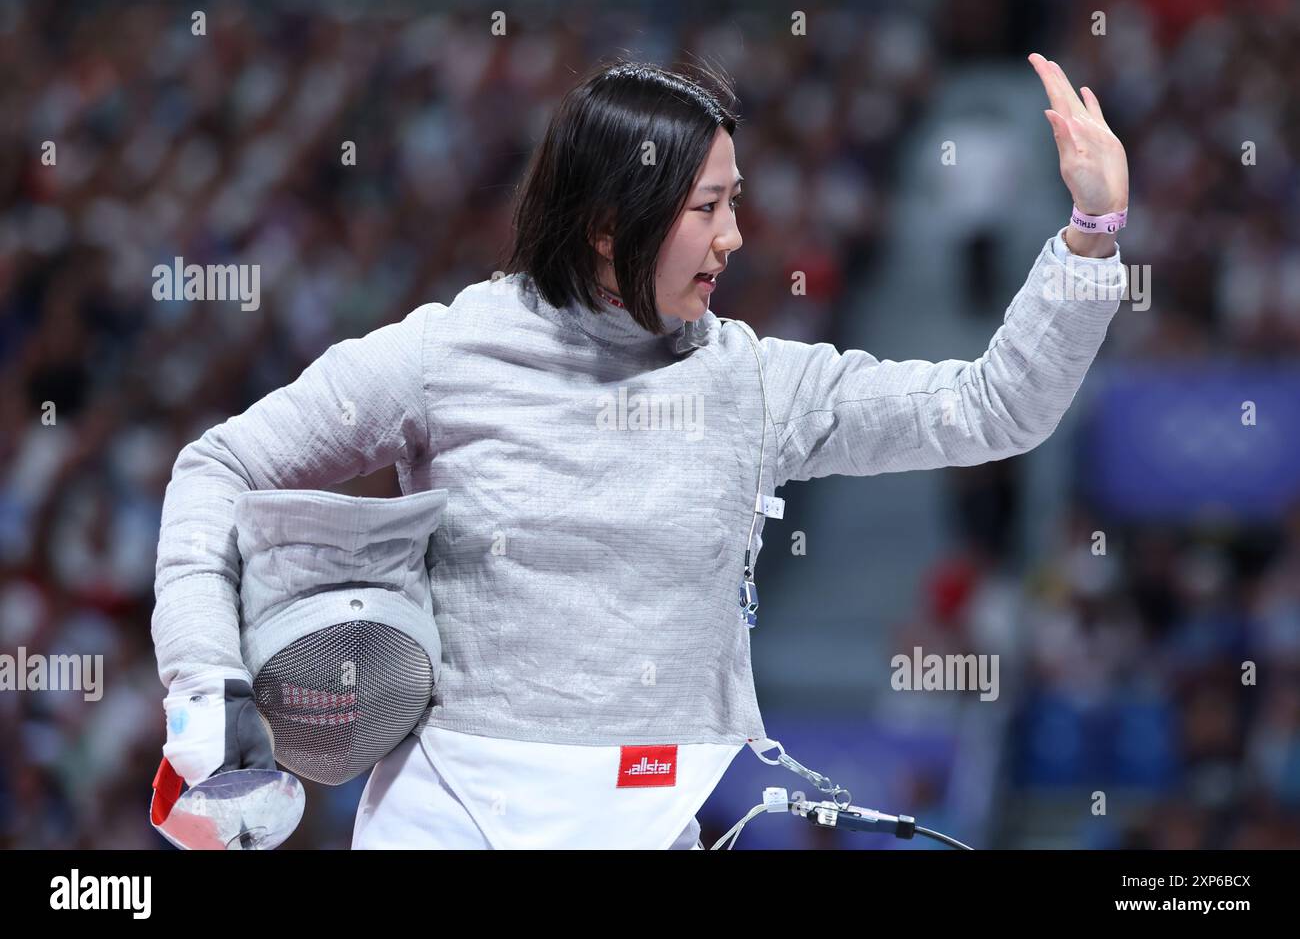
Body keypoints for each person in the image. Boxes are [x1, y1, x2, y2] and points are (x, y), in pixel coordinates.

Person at [151, 53, 1129, 849]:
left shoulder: (752, 383)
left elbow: (992, 409)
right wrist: (207, 684)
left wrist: (1091, 234)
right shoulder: (444, 354)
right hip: (441, 820)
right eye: (707, 208)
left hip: (653, 818)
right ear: (611, 221)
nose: (736, 236)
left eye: (734, 202)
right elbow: (219, 466)